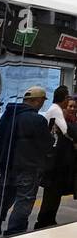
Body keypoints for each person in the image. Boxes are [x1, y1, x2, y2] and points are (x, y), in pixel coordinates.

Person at [0, 86, 52, 237]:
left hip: (7, 165)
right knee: (24, 200)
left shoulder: (8, 115)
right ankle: (14, 233)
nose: (42, 104)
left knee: (3, 198)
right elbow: (47, 144)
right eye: (42, 101)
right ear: (36, 101)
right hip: (28, 166)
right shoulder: (37, 119)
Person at [36, 89, 74, 230]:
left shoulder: (54, 109)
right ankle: (44, 220)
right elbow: (66, 130)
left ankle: (49, 219)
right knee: (51, 193)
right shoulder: (56, 110)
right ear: (64, 98)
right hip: (53, 160)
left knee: (54, 193)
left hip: (53, 157)